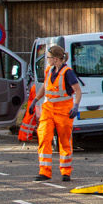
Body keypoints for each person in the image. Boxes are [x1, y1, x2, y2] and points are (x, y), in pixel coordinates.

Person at [37, 43, 81, 182]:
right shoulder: (49, 71)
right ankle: (44, 172)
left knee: (64, 141)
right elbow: (45, 87)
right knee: (44, 136)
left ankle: (66, 172)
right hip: (48, 108)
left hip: (63, 110)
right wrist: (35, 100)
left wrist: (76, 106)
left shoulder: (68, 72)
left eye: (49, 57)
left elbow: (78, 91)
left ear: (56, 59)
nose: (47, 59)